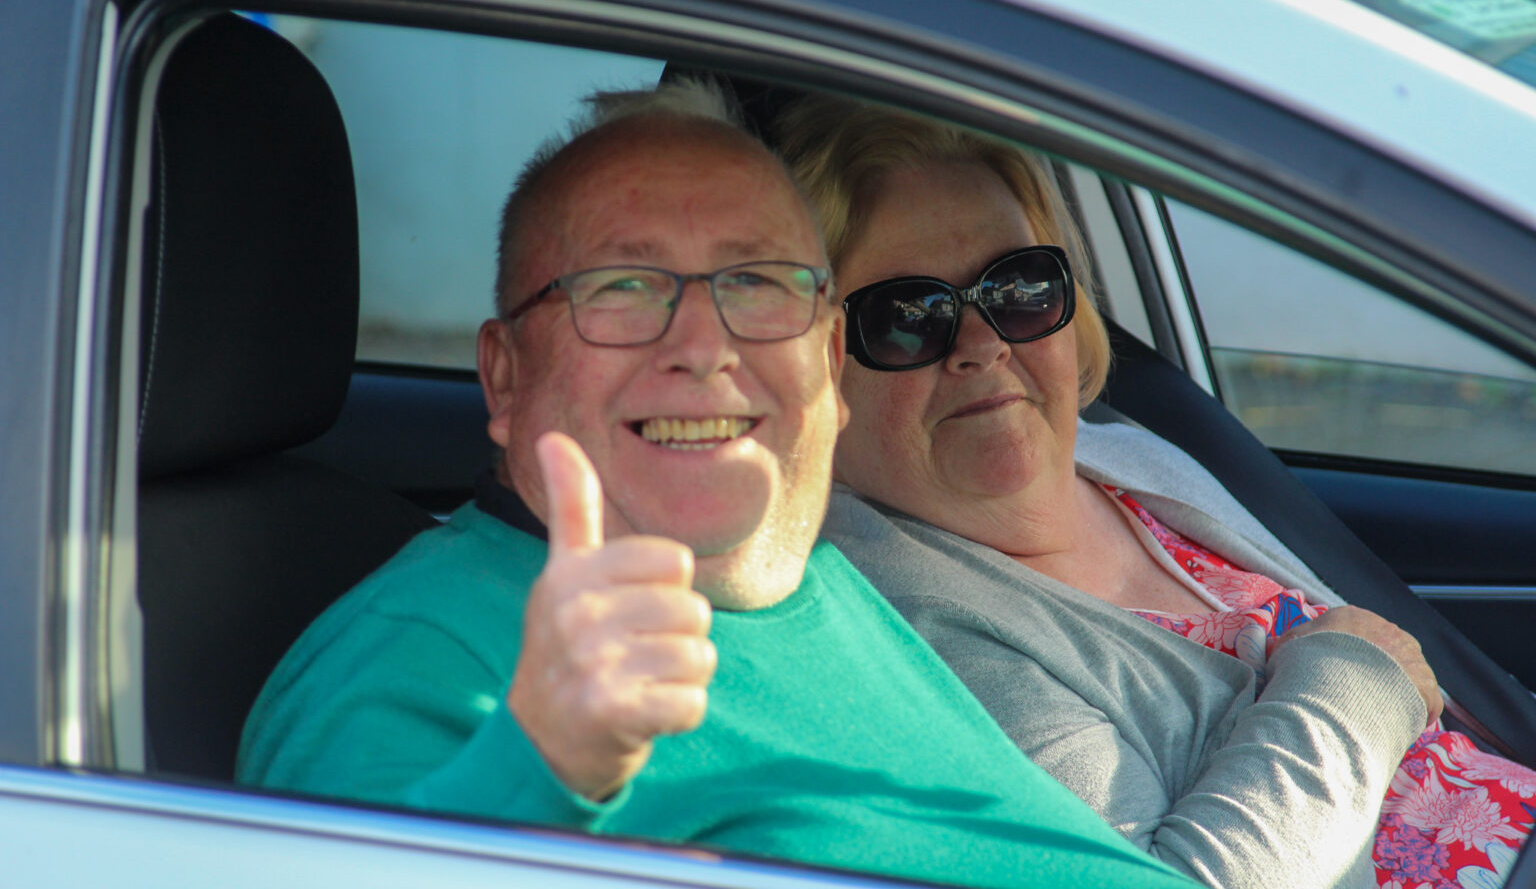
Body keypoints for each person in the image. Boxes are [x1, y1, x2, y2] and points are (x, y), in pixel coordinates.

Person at [236, 80, 1198, 889]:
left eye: (757, 286)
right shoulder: (421, 665)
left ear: (827, 362)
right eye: (620, 289)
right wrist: (537, 772)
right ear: (506, 377)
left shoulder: (816, 587)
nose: (704, 348)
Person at [776, 94, 1536, 889]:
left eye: (1020, 287)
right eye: (908, 315)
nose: (984, 343)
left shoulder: (1124, 459)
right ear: (813, 366)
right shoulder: (908, 629)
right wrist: (1353, 686)